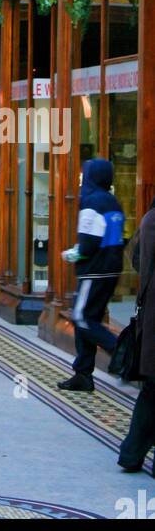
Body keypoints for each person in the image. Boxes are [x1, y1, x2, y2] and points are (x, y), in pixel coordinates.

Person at [57, 157, 125, 392]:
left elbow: (88, 244)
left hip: (94, 271)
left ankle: (122, 355)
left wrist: (70, 255)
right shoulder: (113, 202)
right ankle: (83, 374)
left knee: (82, 318)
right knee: (88, 318)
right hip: (111, 270)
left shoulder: (91, 202)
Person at [118, 197, 155, 472]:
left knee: (151, 390)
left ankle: (131, 453)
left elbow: (137, 258)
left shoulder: (149, 219)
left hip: (151, 315)